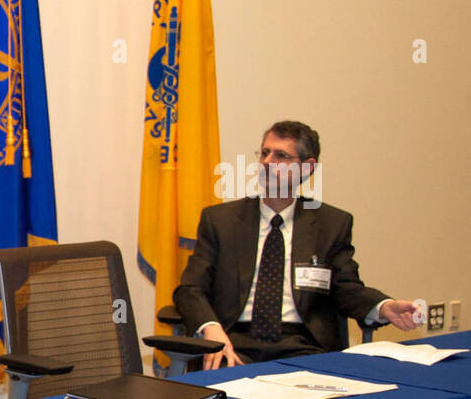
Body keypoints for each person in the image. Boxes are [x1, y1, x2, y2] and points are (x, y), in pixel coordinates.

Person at [174, 120, 419, 370]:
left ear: (307, 168)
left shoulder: (331, 225)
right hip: (233, 343)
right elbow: (190, 289)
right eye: (265, 152)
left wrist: (385, 307)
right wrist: (211, 329)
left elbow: (348, 290)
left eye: (281, 156)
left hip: (304, 348)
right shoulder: (220, 221)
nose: (268, 162)